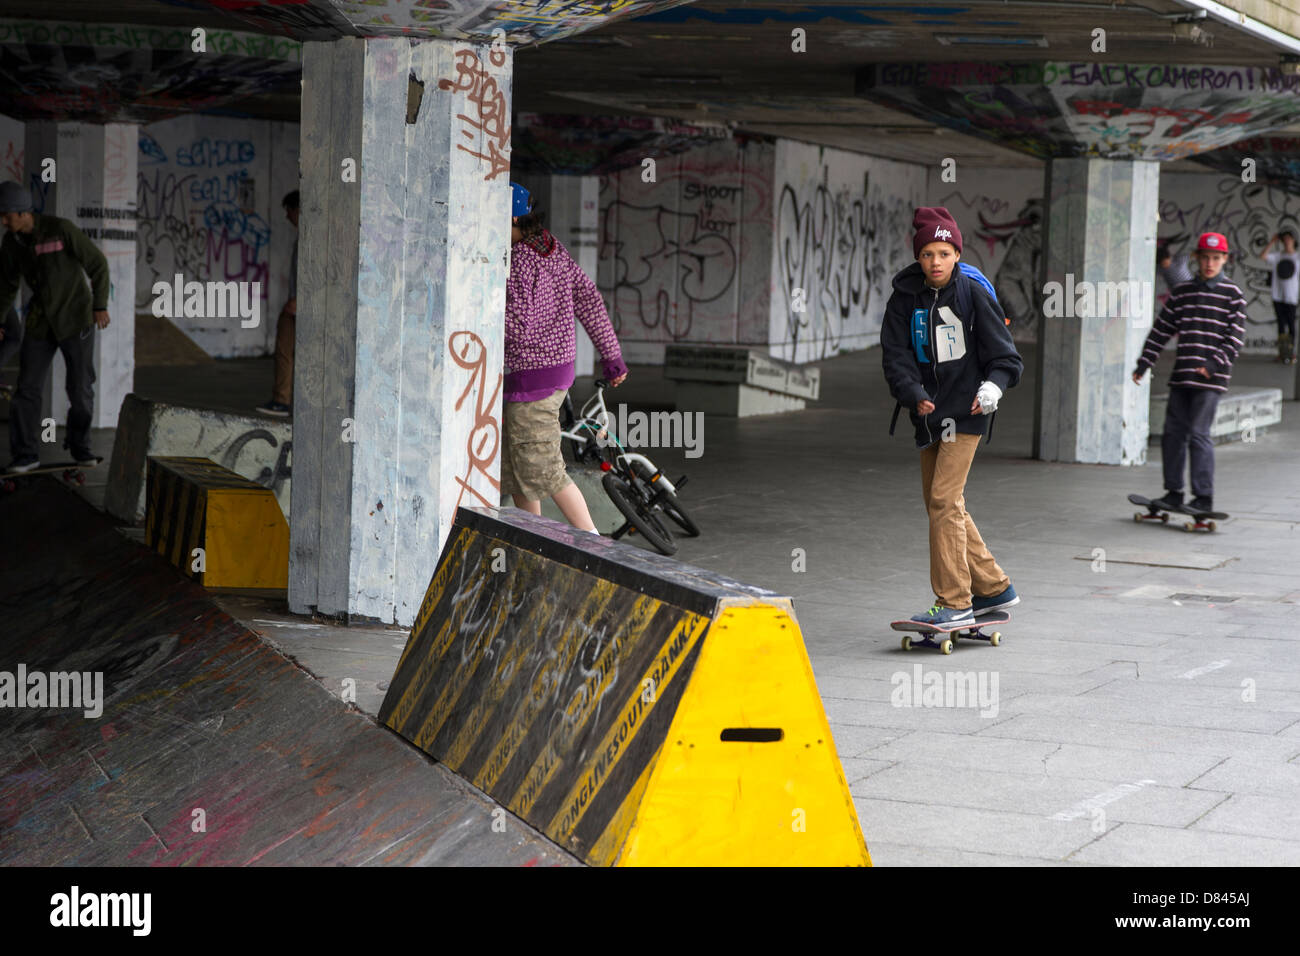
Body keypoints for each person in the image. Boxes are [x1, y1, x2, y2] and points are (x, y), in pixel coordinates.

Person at [880, 206, 1024, 627]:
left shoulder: (972, 293)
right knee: (942, 503)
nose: (936, 262)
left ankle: (954, 601)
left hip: (968, 410)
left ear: (957, 254)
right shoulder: (904, 297)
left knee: (943, 500)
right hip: (927, 415)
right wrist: (911, 393)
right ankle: (995, 586)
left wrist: (993, 387)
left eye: (944, 253)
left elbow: (1006, 356)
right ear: (918, 257)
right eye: (927, 254)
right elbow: (895, 355)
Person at [502, 182, 627, 533]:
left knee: (544, 468)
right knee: (519, 469)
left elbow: (519, 326)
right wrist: (612, 355)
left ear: (513, 218)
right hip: (549, 373)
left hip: (533, 377)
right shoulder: (551, 249)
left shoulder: (522, 260)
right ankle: (531, 536)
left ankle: (593, 542)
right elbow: (588, 297)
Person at [0, 180, 110, 473]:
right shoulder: (11, 243)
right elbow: (7, 285)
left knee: (80, 389)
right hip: (40, 322)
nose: (3, 221)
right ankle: (25, 454)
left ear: (23, 212)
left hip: (76, 319)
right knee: (27, 389)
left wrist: (100, 305)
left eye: (6, 215)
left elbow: (97, 264)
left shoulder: (60, 229)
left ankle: (81, 447)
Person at [1133, 232, 1246, 515]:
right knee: (1172, 434)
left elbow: (1235, 340)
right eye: (1205, 258)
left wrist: (1211, 365)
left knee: (1198, 434)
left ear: (1225, 260)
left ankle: (1203, 496)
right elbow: (1161, 330)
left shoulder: (1233, 296)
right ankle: (1173, 492)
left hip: (1211, 380)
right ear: (1197, 258)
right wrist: (1144, 364)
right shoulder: (1183, 292)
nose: (1210, 263)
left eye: (1216, 258)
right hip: (1182, 376)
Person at [256, 189, 299, 416]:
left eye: (289, 211)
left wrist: (299, 301)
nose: (287, 217)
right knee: (286, 351)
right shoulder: (303, 239)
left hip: (298, 307)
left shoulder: (310, 241)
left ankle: (282, 401)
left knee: (285, 351)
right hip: (296, 304)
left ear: (297, 210)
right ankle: (282, 399)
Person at [1259, 229, 1298, 364]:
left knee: (1291, 326)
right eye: (1285, 239)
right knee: (1281, 325)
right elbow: (1263, 256)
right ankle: (1282, 353)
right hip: (1278, 296)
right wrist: (1272, 242)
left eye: (1289, 239)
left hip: (1291, 296)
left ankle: (1291, 353)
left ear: (1294, 240)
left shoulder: (1298, 257)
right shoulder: (1277, 256)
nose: (1287, 241)